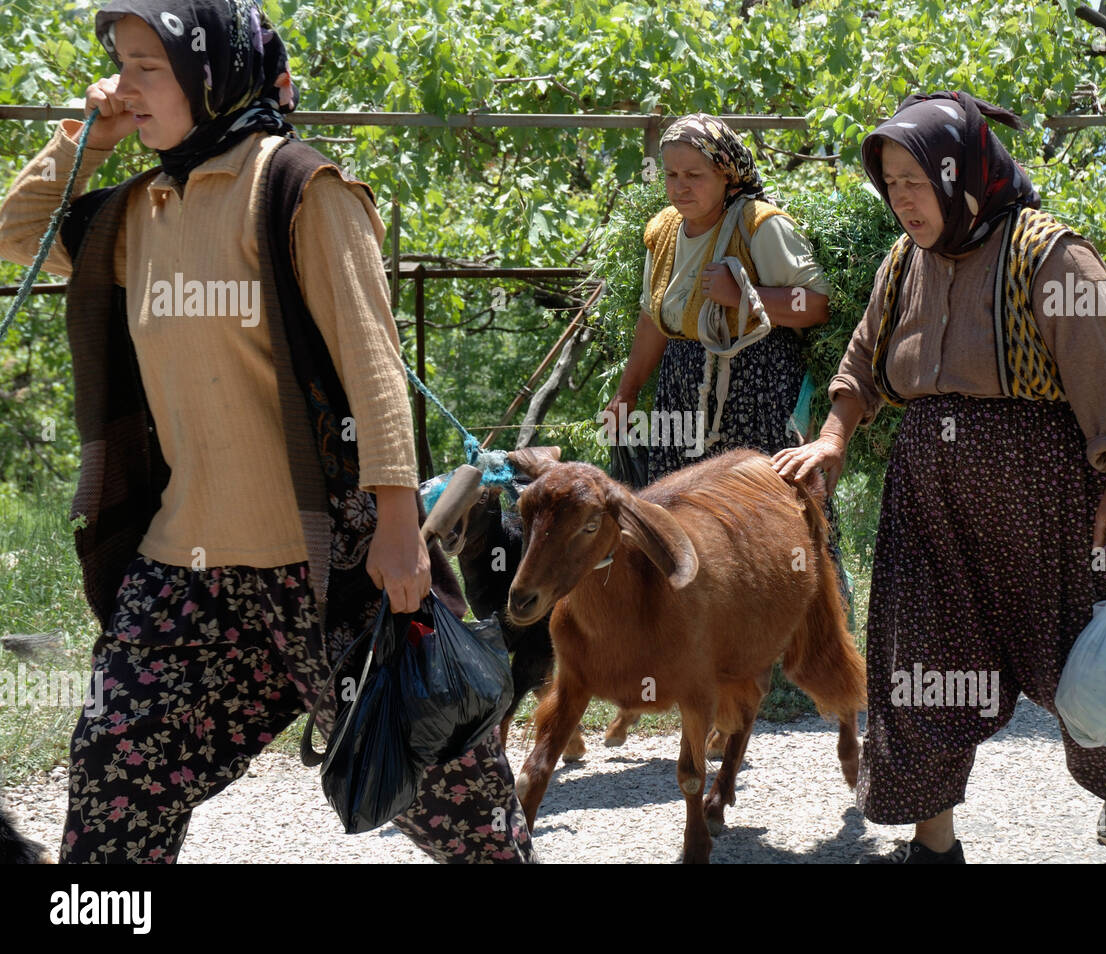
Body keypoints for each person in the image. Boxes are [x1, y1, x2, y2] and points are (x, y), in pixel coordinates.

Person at [0, 0, 533, 863]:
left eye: (148, 67)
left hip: (336, 570)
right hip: (186, 576)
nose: (124, 85)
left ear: (212, 72)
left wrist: (401, 534)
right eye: (119, 64)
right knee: (112, 786)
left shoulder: (299, 188)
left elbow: (374, 371)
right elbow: (14, 232)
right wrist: (85, 140)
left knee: (462, 812)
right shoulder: (141, 211)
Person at [772, 91, 1106, 863]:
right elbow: (863, 358)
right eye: (890, 185)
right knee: (924, 658)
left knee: (1092, 652)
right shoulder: (906, 262)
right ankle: (936, 843)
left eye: (916, 182)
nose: (902, 201)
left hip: (1046, 496)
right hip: (931, 496)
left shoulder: (1051, 254)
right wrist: (832, 437)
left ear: (961, 174)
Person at [605, 113, 832, 482]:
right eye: (671, 175)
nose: (680, 187)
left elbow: (817, 306)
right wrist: (626, 394)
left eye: (694, 176)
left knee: (757, 513)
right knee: (678, 513)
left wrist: (745, 295)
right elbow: (652, 319)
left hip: (758, 392)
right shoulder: (663, 230)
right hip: (679, 393)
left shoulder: (760, 225)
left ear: (726, 175)